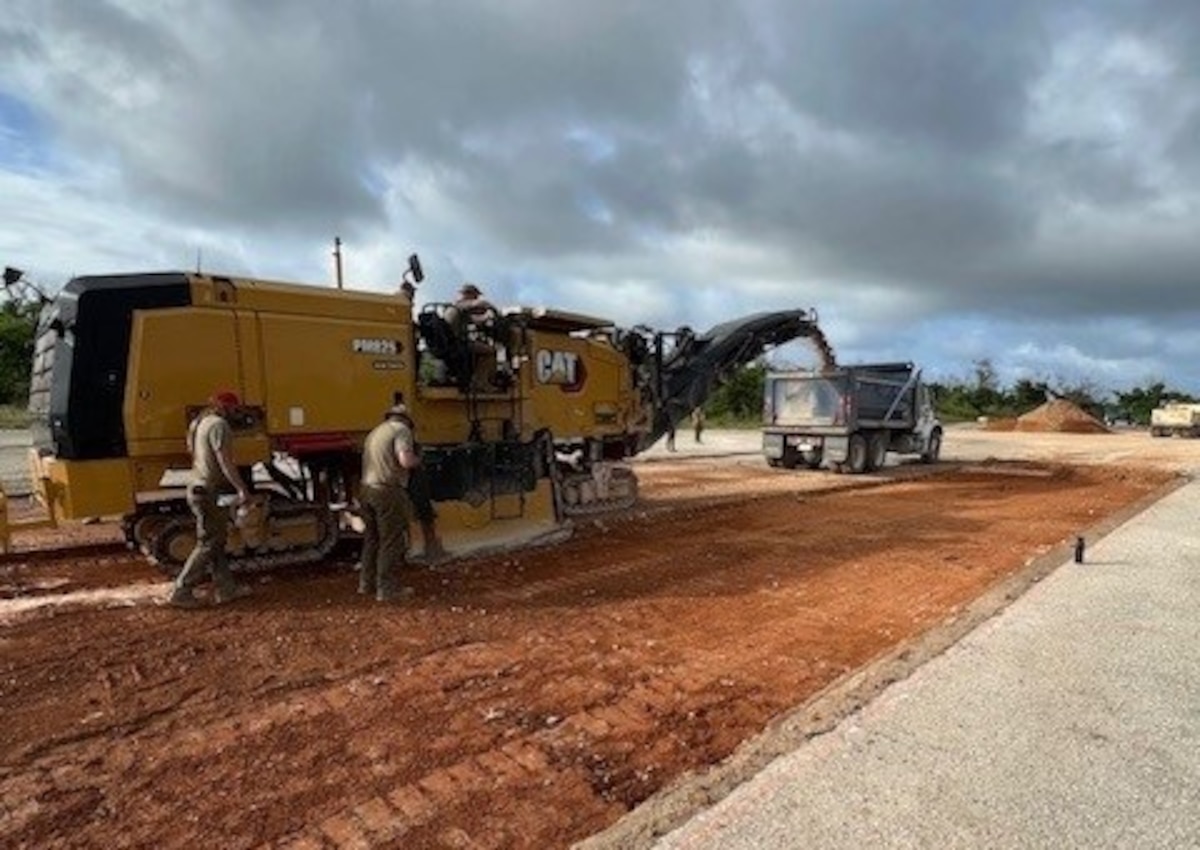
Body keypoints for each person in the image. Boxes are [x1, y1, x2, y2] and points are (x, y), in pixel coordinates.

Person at [168, 390, 253, 609]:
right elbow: (224, 461)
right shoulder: (219, 426)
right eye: (234, 409)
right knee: (209, 543)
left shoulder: (200, 422)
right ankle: (182, 589)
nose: (236, 413)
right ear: (225, 408)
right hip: (209, 491)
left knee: (216, 540)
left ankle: (227, 589)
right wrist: (241, 488)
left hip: (198, 487)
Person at [359, 404, 422, 601]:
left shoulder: (375, 432)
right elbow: (405, 460)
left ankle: (366, 584)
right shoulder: (401, 431)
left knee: (372, 539)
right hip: (387, 491)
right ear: (406, 421)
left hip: (367, 490)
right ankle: (387, 589)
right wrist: (419, 460)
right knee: (391, 541)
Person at [443, 282, 500, 392]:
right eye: (475, 295)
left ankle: (476, 380)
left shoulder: (455, 308)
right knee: (491, 351)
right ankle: (481, 383)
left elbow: (476, 320)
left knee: (480, 345)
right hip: (458, 344)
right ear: (469, 295)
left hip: (453, 343)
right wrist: (492, 309)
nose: (476, 298)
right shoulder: (461, 305)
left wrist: (486, 318)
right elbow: (480, 304)